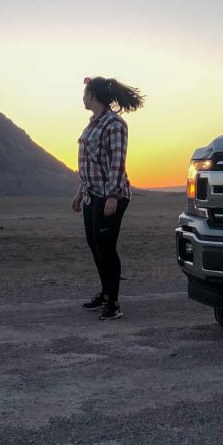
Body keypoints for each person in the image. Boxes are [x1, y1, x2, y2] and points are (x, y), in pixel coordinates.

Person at [71, 75, 143, 320]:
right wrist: (80, 192)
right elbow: (89, 163)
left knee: (106, 247)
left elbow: (116, 162)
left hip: (111, 195)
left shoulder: (115, 124)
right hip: (92, 195)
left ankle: (113, 303)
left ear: (92, 95)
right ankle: (105, 293)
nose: (82, 97)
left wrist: (112, 195)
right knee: (95, 245)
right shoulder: (92, 124)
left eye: (84, 93)